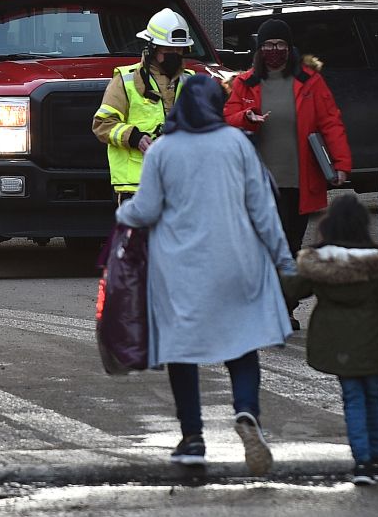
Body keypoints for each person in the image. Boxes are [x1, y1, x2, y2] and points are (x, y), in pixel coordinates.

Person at [116, 74, 293, 475]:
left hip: (180, 270)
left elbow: (144, 210)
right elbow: (262, 208)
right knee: (241, 342)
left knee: (182, 351)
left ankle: (193, 438)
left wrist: (120, 216)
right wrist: (284, 260)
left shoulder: (163, 150)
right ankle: (247, 412)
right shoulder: (236, 143)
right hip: (237, 260)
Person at [282, 194, 378, 486]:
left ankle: (361, 462)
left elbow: (294, 289)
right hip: (373, 340)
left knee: (353, 400)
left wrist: (288, 266)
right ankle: (377, 458)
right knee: (374, 398)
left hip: (336, 343)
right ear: (362, 225)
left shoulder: (319, 261)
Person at [223, 17, 352, 328]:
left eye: (280, 44)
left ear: (290, 47)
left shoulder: (310, 82)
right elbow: (226, 118)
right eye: (268, 45)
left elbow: (330, 122)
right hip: (260, 183)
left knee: (290, 246)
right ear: (259, 48)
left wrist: (341, 164)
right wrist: (247, 116)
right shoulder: (244, 83)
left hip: (299, 181)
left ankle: (284, 306)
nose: (274, 50)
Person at [93, 7, 195, 204]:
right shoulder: (126, 80)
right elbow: (102, 125)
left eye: (178, 50)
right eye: (168, 51)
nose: (175, 55)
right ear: (152, 48)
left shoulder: (191, 82)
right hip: (137, 185)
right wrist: (134, 137)